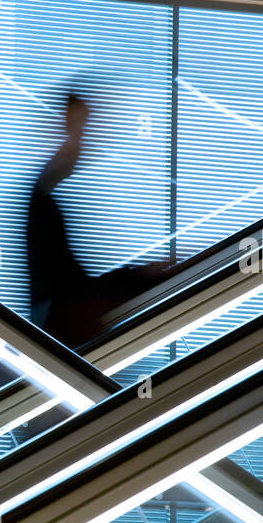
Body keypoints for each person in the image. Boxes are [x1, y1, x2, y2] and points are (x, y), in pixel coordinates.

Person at [26, 92, 170, 350]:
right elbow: (67, 288)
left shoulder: (43, 198)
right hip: (65, 332)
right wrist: (141, 276)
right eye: (80, 127)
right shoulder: (41, 201)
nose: (87, 139)